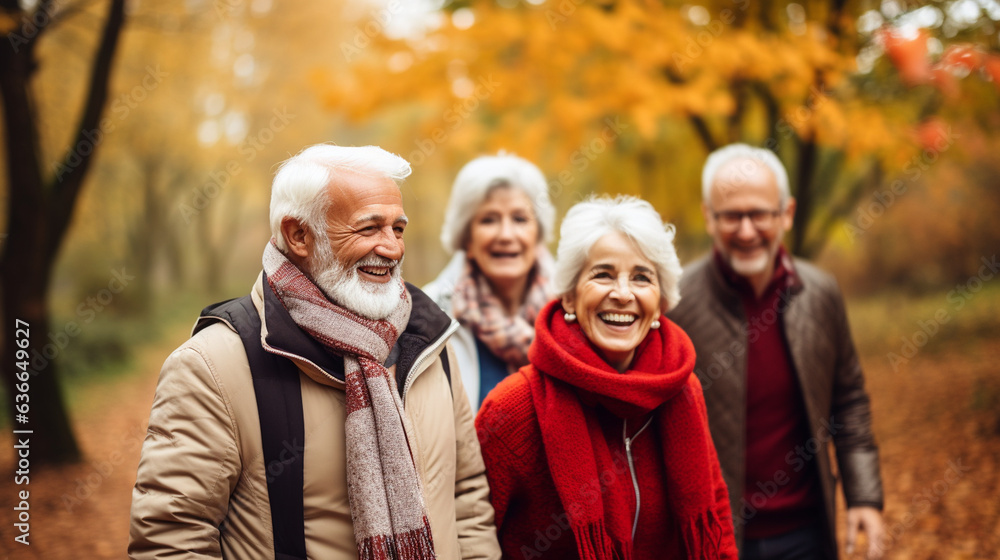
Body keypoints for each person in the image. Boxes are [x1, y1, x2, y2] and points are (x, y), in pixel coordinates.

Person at [129, 144, 501, 560]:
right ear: (298, 235)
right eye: (368, 228)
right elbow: (172, 538)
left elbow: (466, 498)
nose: (393, 248)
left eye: (397, 228)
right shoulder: (212, 365)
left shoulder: (429, 342)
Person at [475, 196, 738, 559]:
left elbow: (716, 512)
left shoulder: (683, 389)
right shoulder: (512, 407)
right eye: (603, 274)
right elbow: (472, 531)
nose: (623, 294)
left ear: (660, 302)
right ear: (569, 297)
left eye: (642, 277)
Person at [668, 143, 885, 559]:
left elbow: (849, 400)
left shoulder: (820, 293)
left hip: (807, 533)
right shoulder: (674, 302)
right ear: (708, 217)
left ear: (786, 213)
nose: (746, 231)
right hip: (714, 538)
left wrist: (865, 496)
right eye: (731, 215)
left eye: (760, 214)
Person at [423, 153, 555, 409]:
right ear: (467, 240)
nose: (506, 235)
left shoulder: (572, 310)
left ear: (537, 235)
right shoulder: (429, 318)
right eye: (488, 220)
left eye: (519, 219)